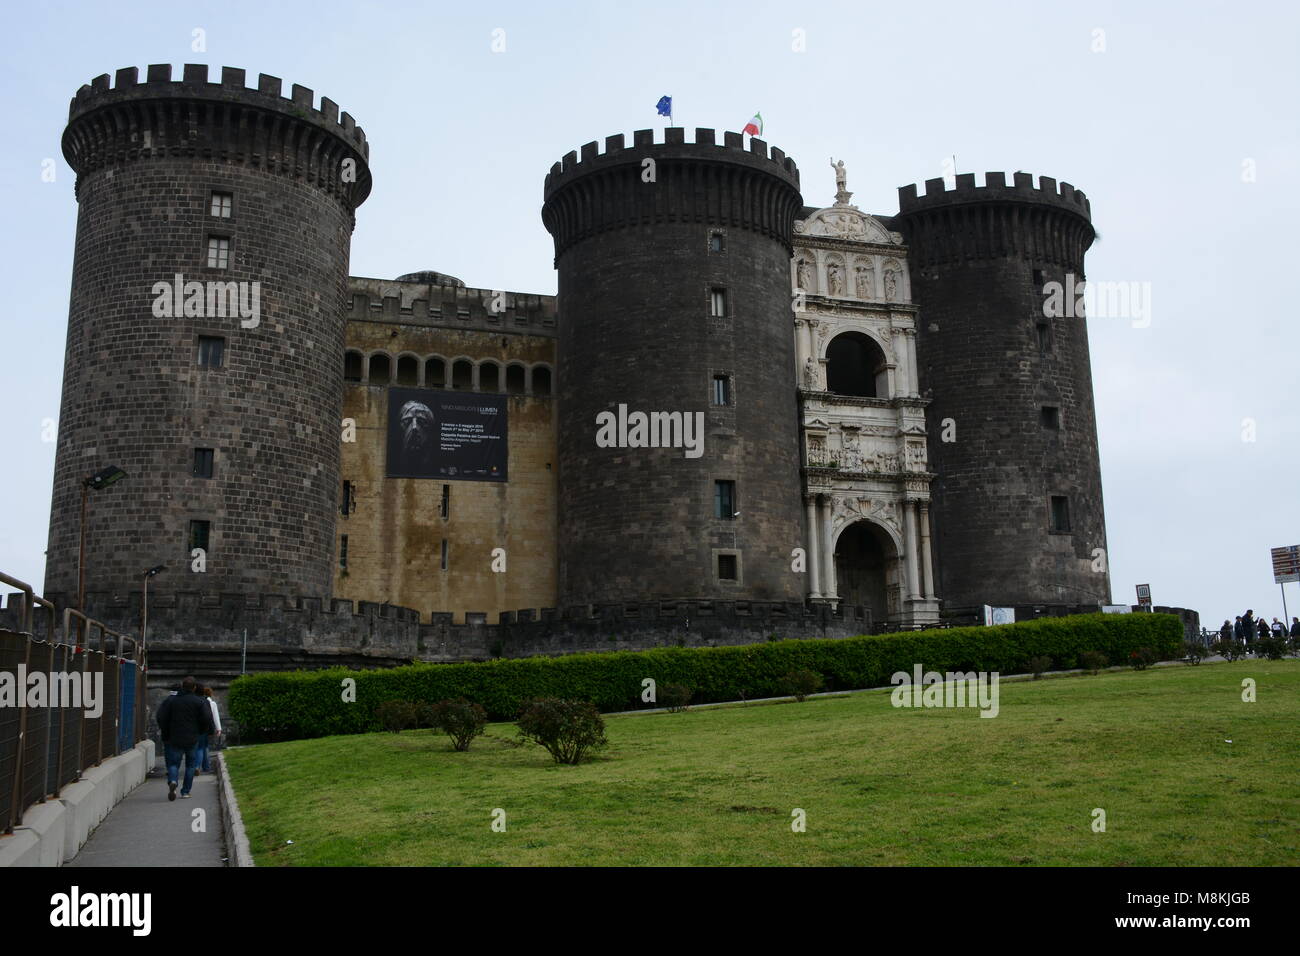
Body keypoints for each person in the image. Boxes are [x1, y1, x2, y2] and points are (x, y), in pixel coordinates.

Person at [155, 676, 216, 801]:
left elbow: (161, 716)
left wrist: (166, 731)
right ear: (194, 688)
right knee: (190, 765)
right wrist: (201, 730)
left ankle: (173, 780)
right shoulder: (198, 702)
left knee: (173, 763)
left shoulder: (171, 701)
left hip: (174, 736)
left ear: (182, 686)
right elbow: (206, 718)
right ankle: (185, 791)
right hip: (192, 737)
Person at [195, 685, 222, 773]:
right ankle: (205, 766)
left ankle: (198, 766)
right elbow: (215, 717)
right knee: (205, 746)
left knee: (199, 747)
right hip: (207, 727)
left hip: (197, 727)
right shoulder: (211, 703)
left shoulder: (197, 701)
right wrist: (219, 728)